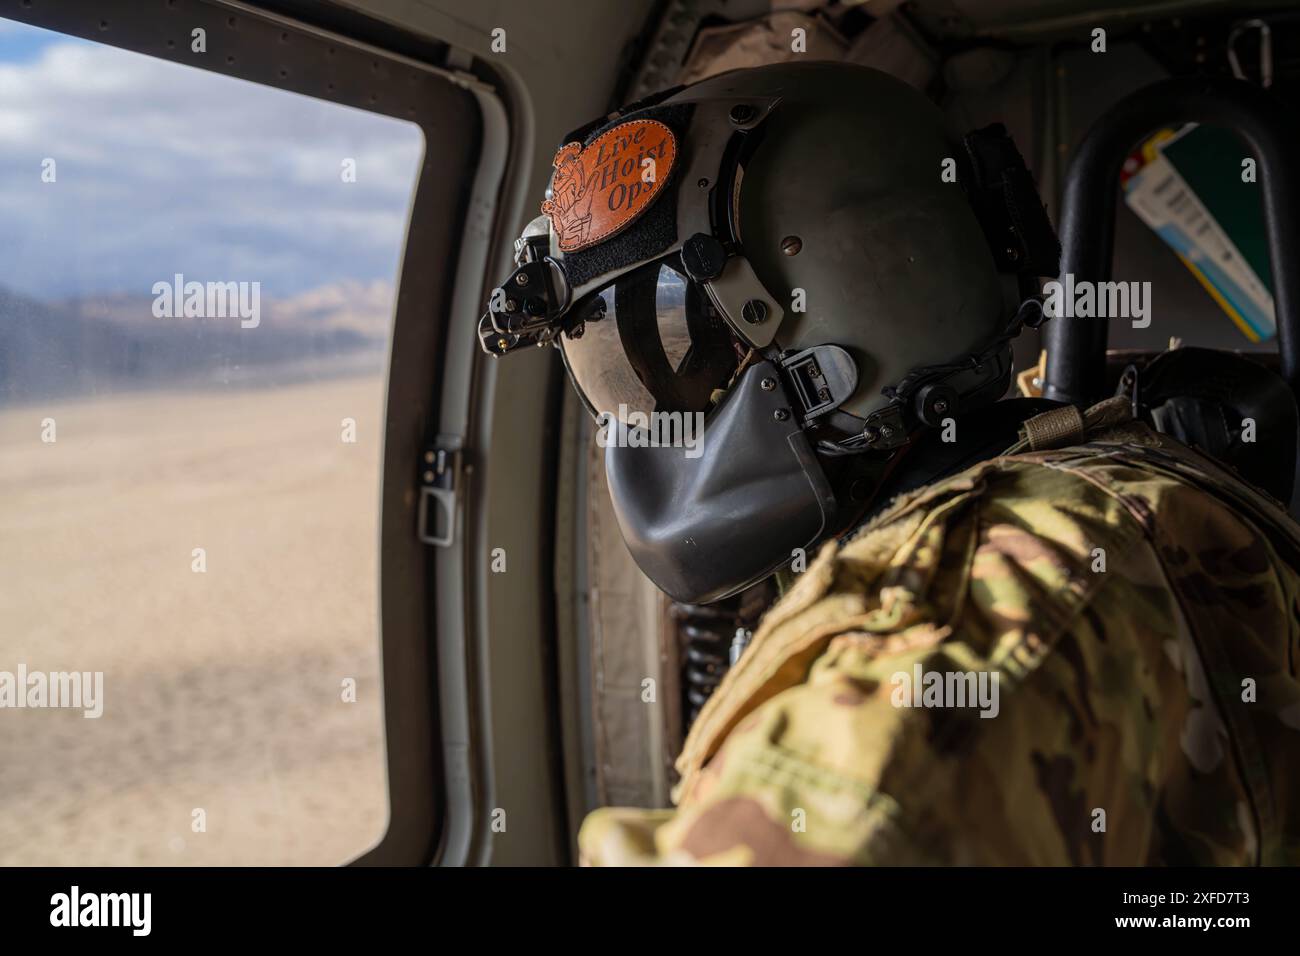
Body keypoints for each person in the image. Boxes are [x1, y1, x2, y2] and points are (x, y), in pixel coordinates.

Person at [480, 61, 1300, 865]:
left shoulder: (993, 596)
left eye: (683, 359)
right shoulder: (1059, 456)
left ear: (844, 297)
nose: (650, 426)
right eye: (619, 376)